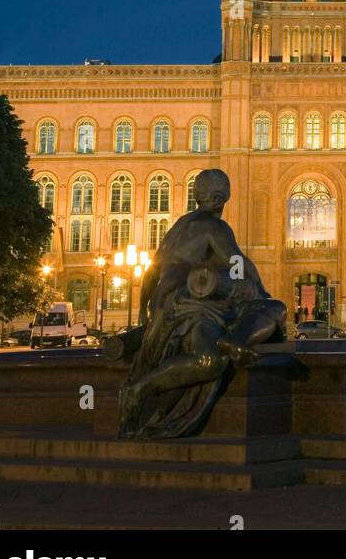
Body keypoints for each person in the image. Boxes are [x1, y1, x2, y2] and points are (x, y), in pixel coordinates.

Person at [119, 168, 291, 440]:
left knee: (218, 330)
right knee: (269, 309)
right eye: (225, 199)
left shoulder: (179, 226)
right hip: (189, 303)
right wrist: (260, 290)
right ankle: (140, 390)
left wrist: (145, 309)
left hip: (168, 304)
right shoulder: (215, 227)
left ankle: (150, 394)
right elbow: (237, 263)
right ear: (219, 198)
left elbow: (152, 271)